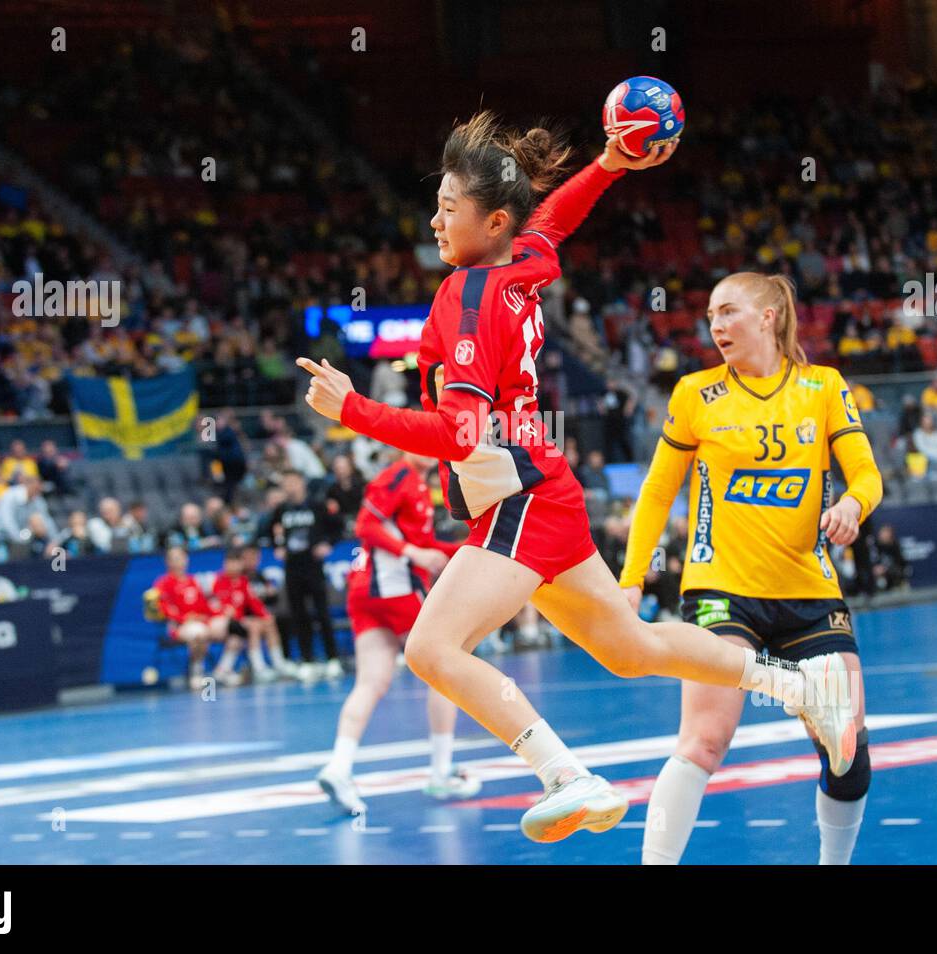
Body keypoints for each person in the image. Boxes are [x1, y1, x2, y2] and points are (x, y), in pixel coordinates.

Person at [297, 113, 857, 844]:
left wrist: (354, 410)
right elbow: (553, 221)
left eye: (447, 208)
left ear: (493, 220)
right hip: (541, 491)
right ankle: (801, 685)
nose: (433, 219)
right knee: (631, 650)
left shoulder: (467, 298)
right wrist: (612, 161)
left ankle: (565, 774)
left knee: (431, 649)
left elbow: (460, 434)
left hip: (518, 497)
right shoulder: (516, 264)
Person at [620, 272, 882, 865]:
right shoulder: (696, 393)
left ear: (767, 317)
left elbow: (867, 475)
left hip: (809, 591)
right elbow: (659, 491)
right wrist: (632, 577)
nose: (716, 325)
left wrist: (851, 504)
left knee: (848, 748)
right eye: (710, 314)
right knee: (705, 739)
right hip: (721, 591)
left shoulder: (822, 386)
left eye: (729, 312)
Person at [316, 449, 479, 815]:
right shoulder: (397, 476)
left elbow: (421, 545)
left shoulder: (417, 485)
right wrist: (415, 555)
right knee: (444, 671)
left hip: (371, 592)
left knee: (371, 683)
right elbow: (366, 526)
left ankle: (339, 767)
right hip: (393, 588)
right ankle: (440, 771)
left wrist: (469, 551)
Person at [271, 471, 341, 679]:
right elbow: (269, 532)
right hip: (292, 568)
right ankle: (307, 660)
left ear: (301, 483)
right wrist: (278, 546)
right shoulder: (281, 510)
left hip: (313, 567)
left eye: (293, 482)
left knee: (322, 613)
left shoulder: (317, 505)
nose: (290, 487)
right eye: (286, 483)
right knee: (299, 615)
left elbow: (337, 527)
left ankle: (332, 659)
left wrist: (327, 544)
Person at [151, 546, 245, 690]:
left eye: (180, 558)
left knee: (235, 631)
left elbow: (205, 605)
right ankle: (197, 673)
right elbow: (163, 609)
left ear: (186, 560)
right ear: (167, 562)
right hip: (179, 627)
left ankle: (222, 671)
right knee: (199, 633)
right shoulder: (162, 583)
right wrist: (185, 618)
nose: (178, 562)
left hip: (201, 622)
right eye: (174, 559)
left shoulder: (193, 581)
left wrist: (219, 613)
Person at [212, 548, 294, 682]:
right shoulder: (219, 581)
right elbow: (220, 606)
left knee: (269, 622)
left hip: (240, 621)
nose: (233, 566)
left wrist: (265, 615)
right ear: (225, 564)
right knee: (253, 626)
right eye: (230, 563)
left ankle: (279, 663)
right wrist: (240, 618)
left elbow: (253, 602)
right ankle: (259, 668)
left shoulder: (243, 581)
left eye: (236, 563)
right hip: (225, 622)